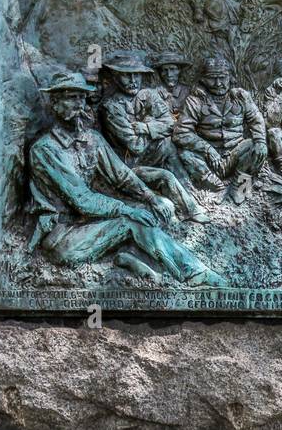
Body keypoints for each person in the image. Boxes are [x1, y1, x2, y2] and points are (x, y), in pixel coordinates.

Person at [27, 71, 223, 285]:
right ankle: (195, 273)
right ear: (55, 103)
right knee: (132, 221)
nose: (79, 104)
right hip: (64, 238)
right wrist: (127, 209)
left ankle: (131, 260)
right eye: (71, 97)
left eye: (81, 97)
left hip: (93, 222)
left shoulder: (91, 139)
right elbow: (82, 200)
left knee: (152, 211)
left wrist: (151, 198)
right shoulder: (45, 150)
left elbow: (121, 176)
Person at [98, 49, 206, 222]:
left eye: (137, 75)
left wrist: (146, 126)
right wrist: (156, 127)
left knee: (168, 144)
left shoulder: (147, 94)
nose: (133, 81)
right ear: (116, 77)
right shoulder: (111, 107)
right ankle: (187, 210)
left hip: (148, 154)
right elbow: (134, 146)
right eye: (127, 76)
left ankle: (188, 192)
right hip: (128, 166)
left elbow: (171, 124)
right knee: (165, 175)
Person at [175, 55, 268, 203]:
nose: (218, 83)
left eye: (222, 78)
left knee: (255, 145)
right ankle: (216, 188)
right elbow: (181, 133)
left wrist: (261, 141)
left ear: (230, 77)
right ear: (204, 80)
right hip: (208, 159)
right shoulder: (195, 100)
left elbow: (256, 120)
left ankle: (240, 187)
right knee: (185, 154)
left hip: (236, 154)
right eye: (212, 78)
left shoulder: (241, 97)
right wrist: (206, 149)